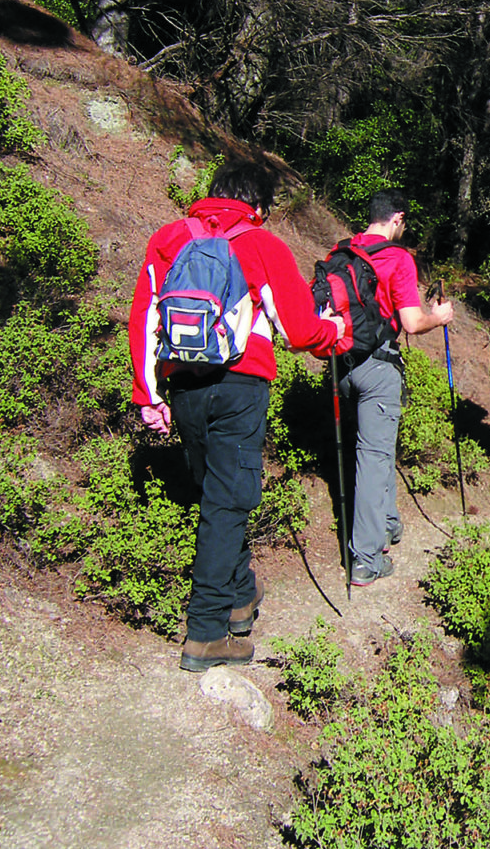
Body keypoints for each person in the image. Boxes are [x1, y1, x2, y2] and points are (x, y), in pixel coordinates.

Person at [129, 159, 343, 672]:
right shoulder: (262, 243)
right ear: (260, 207)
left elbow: (144, 315)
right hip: (240, 384)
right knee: (228, 501)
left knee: (217, 492)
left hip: (182, 386)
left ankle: (241, 595)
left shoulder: (169, 238)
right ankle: (206, 634)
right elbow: (297, 330)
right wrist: (332, 331)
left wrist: (147, 394)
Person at [335, 190, 453, 587]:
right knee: (373, 456)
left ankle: (388, 523)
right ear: (397, 219)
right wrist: (439, 316)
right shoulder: (398, 258)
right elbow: (412, 322)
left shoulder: (342, 251)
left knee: (374, 450)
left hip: (342, 364)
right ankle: (366, 558)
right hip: (379, 366)